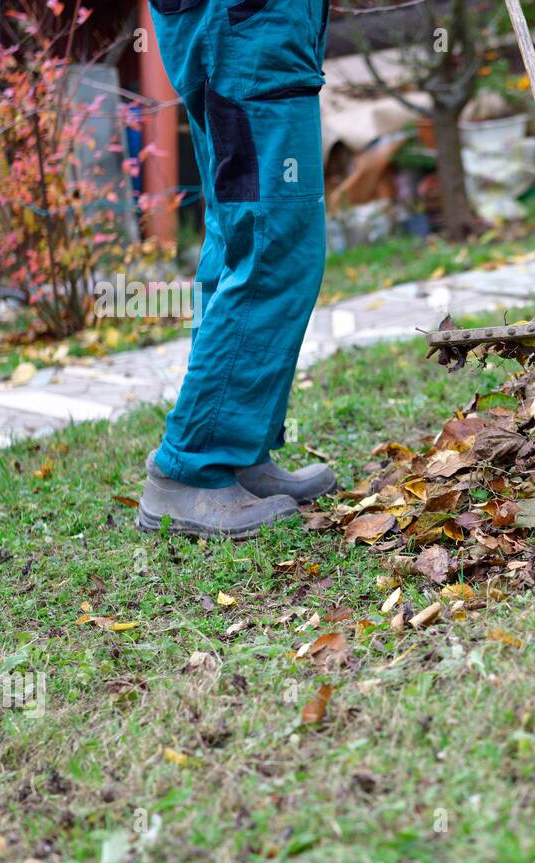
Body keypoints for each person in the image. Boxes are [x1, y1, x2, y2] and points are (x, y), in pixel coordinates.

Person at [138, 0, 336, 539]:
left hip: (237, 26)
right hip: (250, 27)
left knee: (235, 235)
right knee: (275, 247)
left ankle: (236, 455)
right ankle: (194, 467)